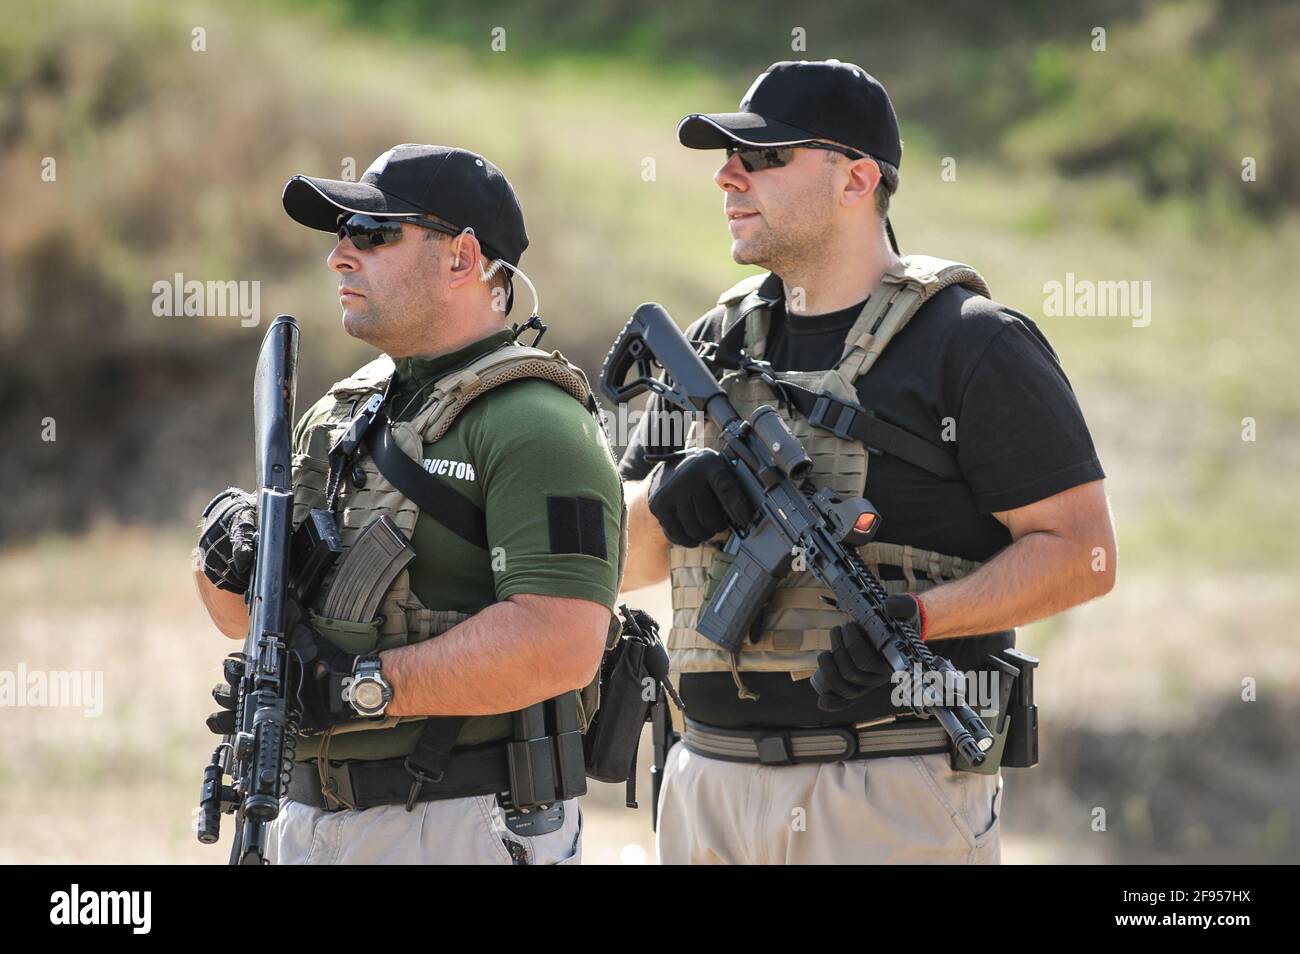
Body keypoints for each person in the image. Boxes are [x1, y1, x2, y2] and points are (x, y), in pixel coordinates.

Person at [616, 61, 1117, 864]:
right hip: (706, 785)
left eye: (765, 157)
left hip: (885, 786)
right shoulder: (713, 345)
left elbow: (1083, 554)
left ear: (856, 179)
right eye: (729, 159)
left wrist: (923, 619)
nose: (728, 177)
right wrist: (666, 504)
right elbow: (620, 565)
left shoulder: (971, 341)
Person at [194, 143, 626, 864]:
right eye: (342, 235)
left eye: (372, 234)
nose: (339, 256)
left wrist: (359, 689)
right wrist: (226, 557)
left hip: (458, 823)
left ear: (461, 259)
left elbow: (562, 643)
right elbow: (246, 619)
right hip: (303, 816)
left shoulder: (537, 423)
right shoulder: (341, 413)